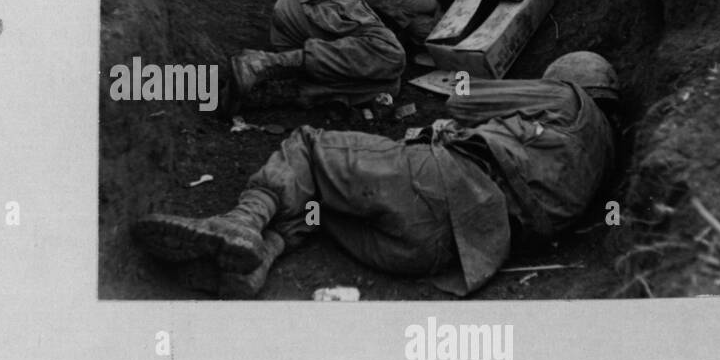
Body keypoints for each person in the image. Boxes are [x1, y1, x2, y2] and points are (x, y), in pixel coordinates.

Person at [135, 52, 620, 298]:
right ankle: (262, 255)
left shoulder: (564, 98)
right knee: (323, 201)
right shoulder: (604, 159)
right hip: (451, 254)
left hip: (441, 185)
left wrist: (471, 113)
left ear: (570, 81)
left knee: (307, 148)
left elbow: (462, 96)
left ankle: (242, 221)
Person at [224, 0, 486, 112]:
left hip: (319, 31)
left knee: (387, 82)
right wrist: (428, 4)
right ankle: (267, 63)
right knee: (392, 55)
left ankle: (272, 90)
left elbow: (405, 34)